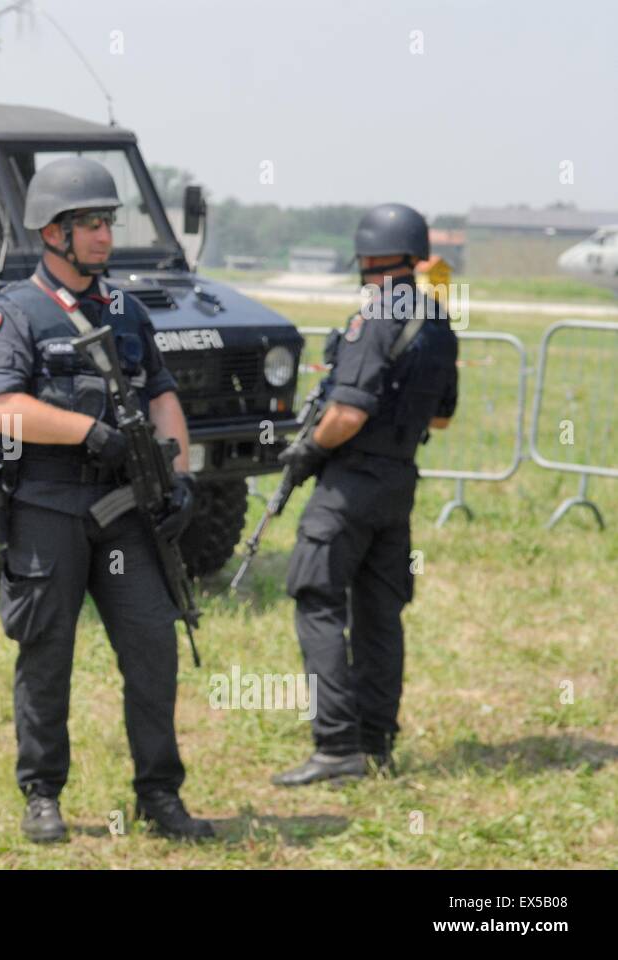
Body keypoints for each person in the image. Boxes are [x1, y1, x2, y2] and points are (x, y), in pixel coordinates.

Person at [0, 157, 214, 843]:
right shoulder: (13, 314)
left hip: (128, 510)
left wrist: (179, 477)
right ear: (52, 233)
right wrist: (90, 433)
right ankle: (42, 793)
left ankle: (160, 793)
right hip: (49, 508)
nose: (105, 235)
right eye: (90, 224)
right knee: (46, 652)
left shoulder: (127, 310)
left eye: (108, 221)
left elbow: (162, 394)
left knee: (152, 649)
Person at [272, 203, 459, 786]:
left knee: (317, 599)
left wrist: (310, 451)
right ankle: (376, 741)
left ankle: (335, 747)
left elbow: (347, 412)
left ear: (367, 256)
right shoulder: (436, 321)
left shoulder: (373, 318)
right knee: (380, 614)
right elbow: (446, 418)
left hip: (350, 484)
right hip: (398, 482)